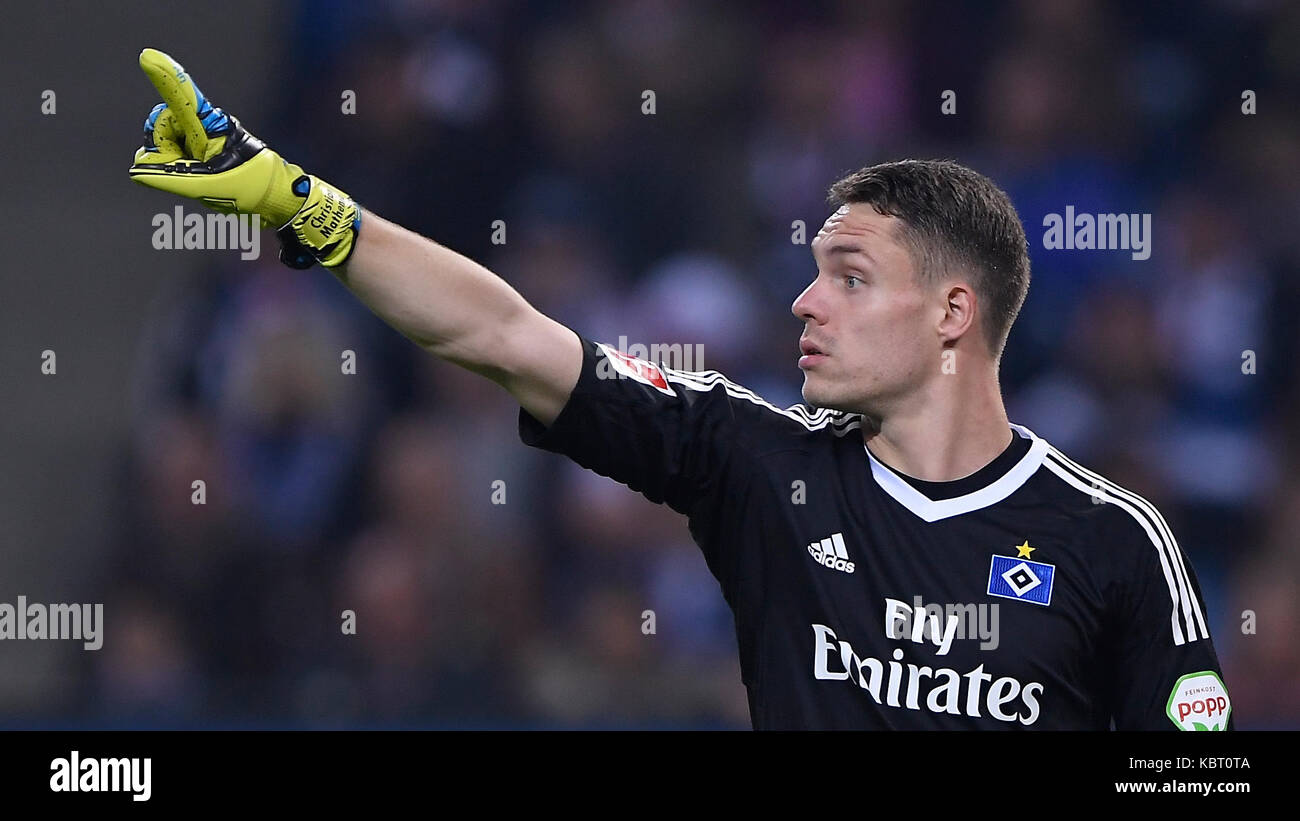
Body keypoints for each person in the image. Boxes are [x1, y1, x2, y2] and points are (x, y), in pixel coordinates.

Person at [128, 49, 1232, 730]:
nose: (805, 303)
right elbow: (505, 332)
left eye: (848, 278)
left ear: (953, 312)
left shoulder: (1111, 541)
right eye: (810, 273)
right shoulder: (753, 459)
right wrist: (292, 197)